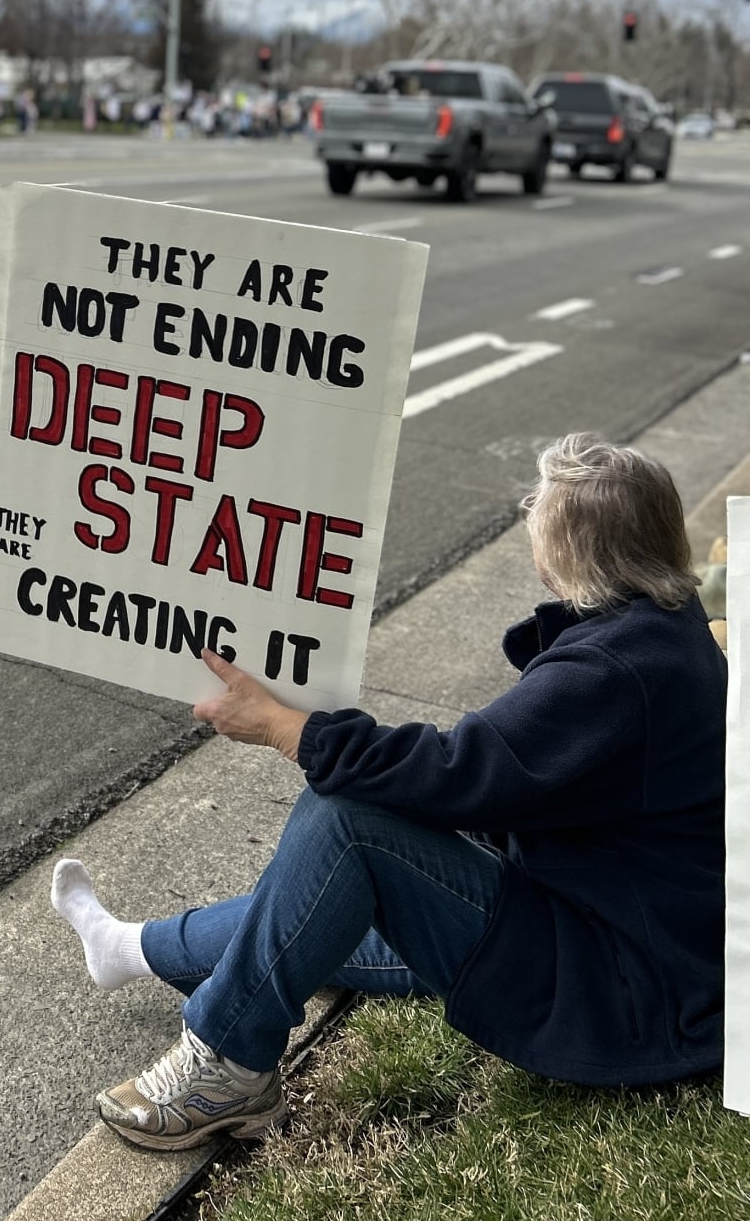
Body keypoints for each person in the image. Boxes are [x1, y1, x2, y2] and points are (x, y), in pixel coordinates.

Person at [53, 433, 726, 1151]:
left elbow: (455, 771)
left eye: (540, 511)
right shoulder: (662, 630)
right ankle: (129, 948)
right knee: (320, 902)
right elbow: (503, 776)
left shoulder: (613, 672)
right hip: (632, 941)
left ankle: (224, 1068)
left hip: (623, 995)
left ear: (569, 550)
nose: (529, 517)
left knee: (347, 822)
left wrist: (288, 728)